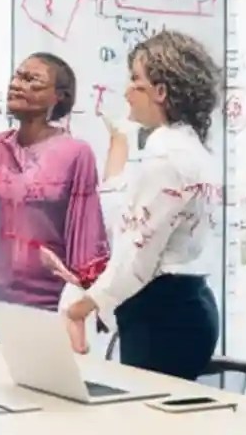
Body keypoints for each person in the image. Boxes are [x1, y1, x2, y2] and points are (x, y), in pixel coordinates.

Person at [42, 30, 222, 381]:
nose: (126, 91)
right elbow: (124, 212)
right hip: (178, 306)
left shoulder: (166, 156)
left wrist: (80, 308)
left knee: (153, 426)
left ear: (161, 91)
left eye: (135, 80)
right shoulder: (185, 148)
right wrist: (119, 141)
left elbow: (137, 258)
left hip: (163, 314)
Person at [0, 53, 107, 312]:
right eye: (17, 76)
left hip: (52, 301)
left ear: (57, 96)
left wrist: (84, 303)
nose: (16, 84)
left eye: (32, 80)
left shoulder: (76, 153)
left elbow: (87, 236)